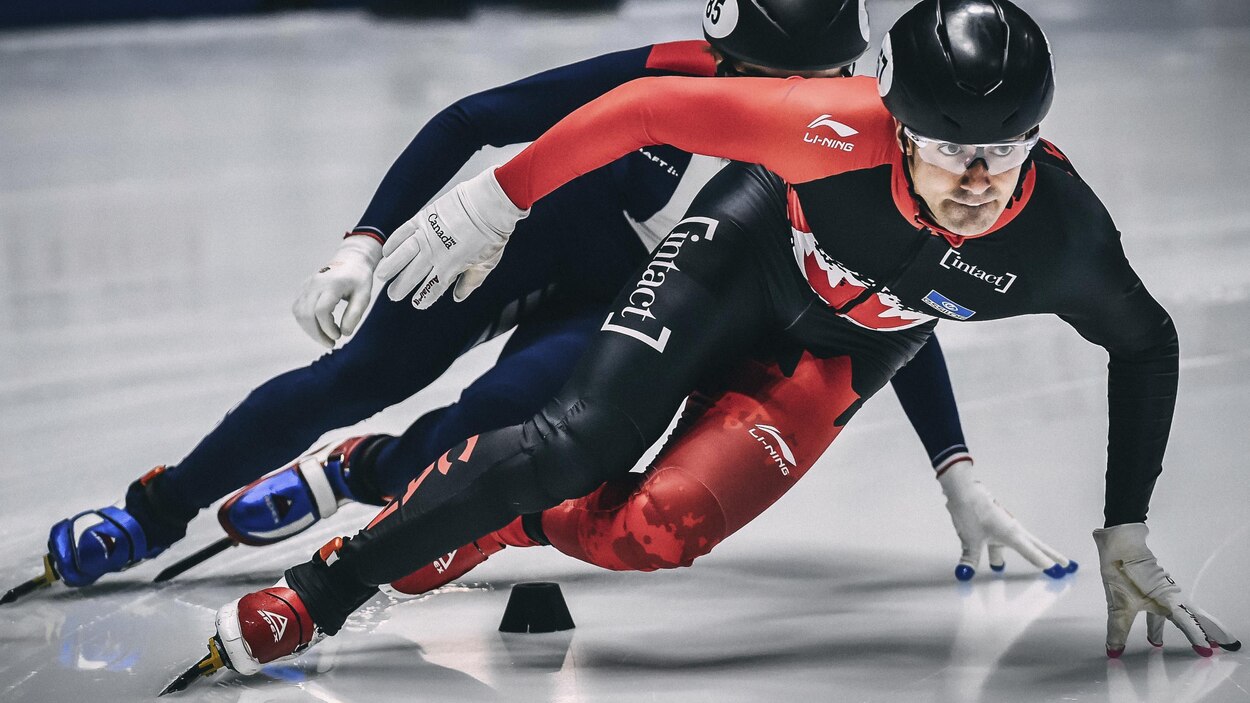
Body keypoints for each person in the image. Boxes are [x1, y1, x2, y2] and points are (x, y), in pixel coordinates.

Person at [203, 0, 1239, 678]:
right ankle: (319, 590)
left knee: (652, 530)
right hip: (735, 260)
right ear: (894, 123)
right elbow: (644, 106)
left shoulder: (1061, 240)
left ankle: (498, 519)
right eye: (948, 152)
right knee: (573, 438)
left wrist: (1124, 529)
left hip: (835, 351)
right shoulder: (828, 124)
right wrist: (495, 202)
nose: (977, 183)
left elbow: (1142, 343)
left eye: (1003, 153)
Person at [35, 0, 1065, 598]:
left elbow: (885, 305)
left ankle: (355, 477)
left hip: (616, 299)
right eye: (760, 77)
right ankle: (153, 512)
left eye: (821, 76)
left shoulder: (843, 148)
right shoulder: (668, 75)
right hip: (511, 250)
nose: (786, 103)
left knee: (509, 427)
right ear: (719, 61)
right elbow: (474, 117)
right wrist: (363, 242)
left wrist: (953, 469)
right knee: (353, 374)